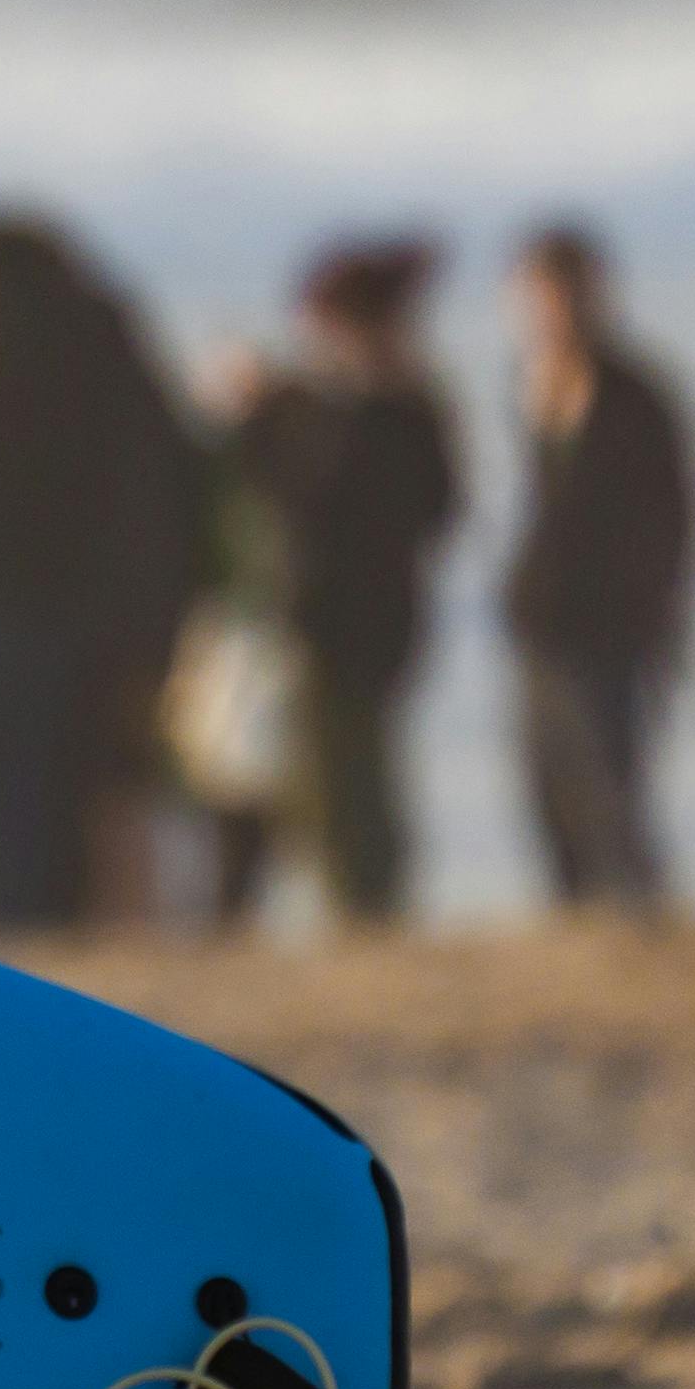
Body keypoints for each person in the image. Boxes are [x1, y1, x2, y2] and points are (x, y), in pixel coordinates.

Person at [0, 214, 199, 933]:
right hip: (66, 628)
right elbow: (170, 498)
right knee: (26, 822)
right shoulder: (107, 355)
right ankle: (17, 961)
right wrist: (153, 638)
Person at [223, 238, 466, 929]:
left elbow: (429, 508)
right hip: (319, 619)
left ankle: (367, 912)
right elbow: (260, 483)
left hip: (366, 623)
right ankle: (356, 907)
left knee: (352, 779)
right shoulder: (317, 402)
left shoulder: (402, 407)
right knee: (323, 777)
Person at [495, 223, 695, 919]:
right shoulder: (529, 384)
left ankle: (645, 934)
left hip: (613, 630)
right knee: (549, 798)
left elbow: (678, 520)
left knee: (611, 797)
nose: (547, 314)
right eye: (535, 298)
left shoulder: (637, 397)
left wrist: (661, 621)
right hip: (542, 626)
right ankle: (577, 930)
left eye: (560, 296)